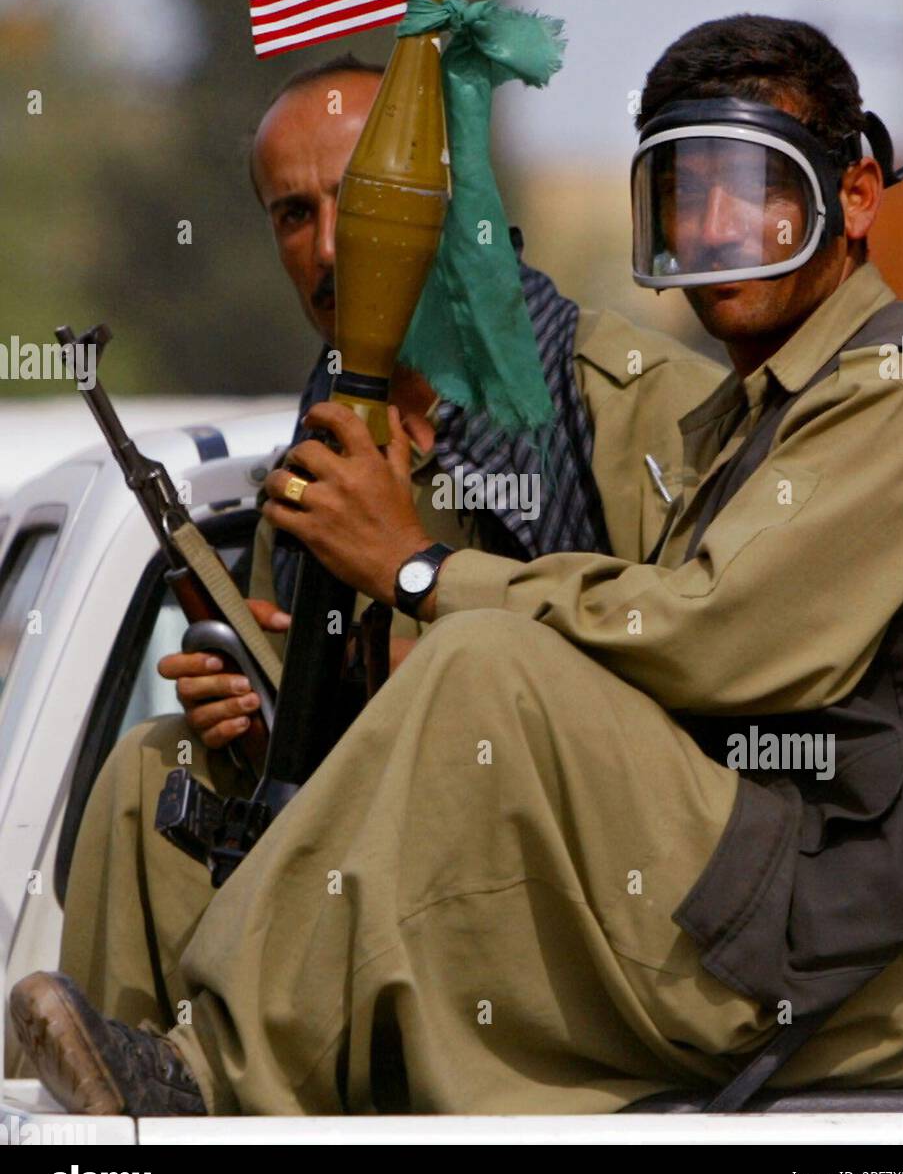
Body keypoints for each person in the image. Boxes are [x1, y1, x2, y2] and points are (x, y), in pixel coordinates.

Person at [24, 13, 903, 1120]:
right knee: (163, 778)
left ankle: (209, 1080)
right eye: (683, 192)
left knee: (486, 667)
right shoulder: (739, 417)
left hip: (833, 930)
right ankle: (115, 1117)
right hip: (710, 882)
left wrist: (420, 574)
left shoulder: (869, 392)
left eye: (751, 185)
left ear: (851, 197)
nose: (714, 226)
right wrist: (291, 701)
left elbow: (705, 646)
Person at [47, 53, 725, 1044]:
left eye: (361, 199)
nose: (330, 248)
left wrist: (426, 594)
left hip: (590, 888)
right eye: (292, 215)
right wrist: (257, 704)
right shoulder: (316, 454)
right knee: (157, 772)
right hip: (381, 866)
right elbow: (319, 753)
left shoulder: (632, 409)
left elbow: (708, 673)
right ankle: (130, 1120)